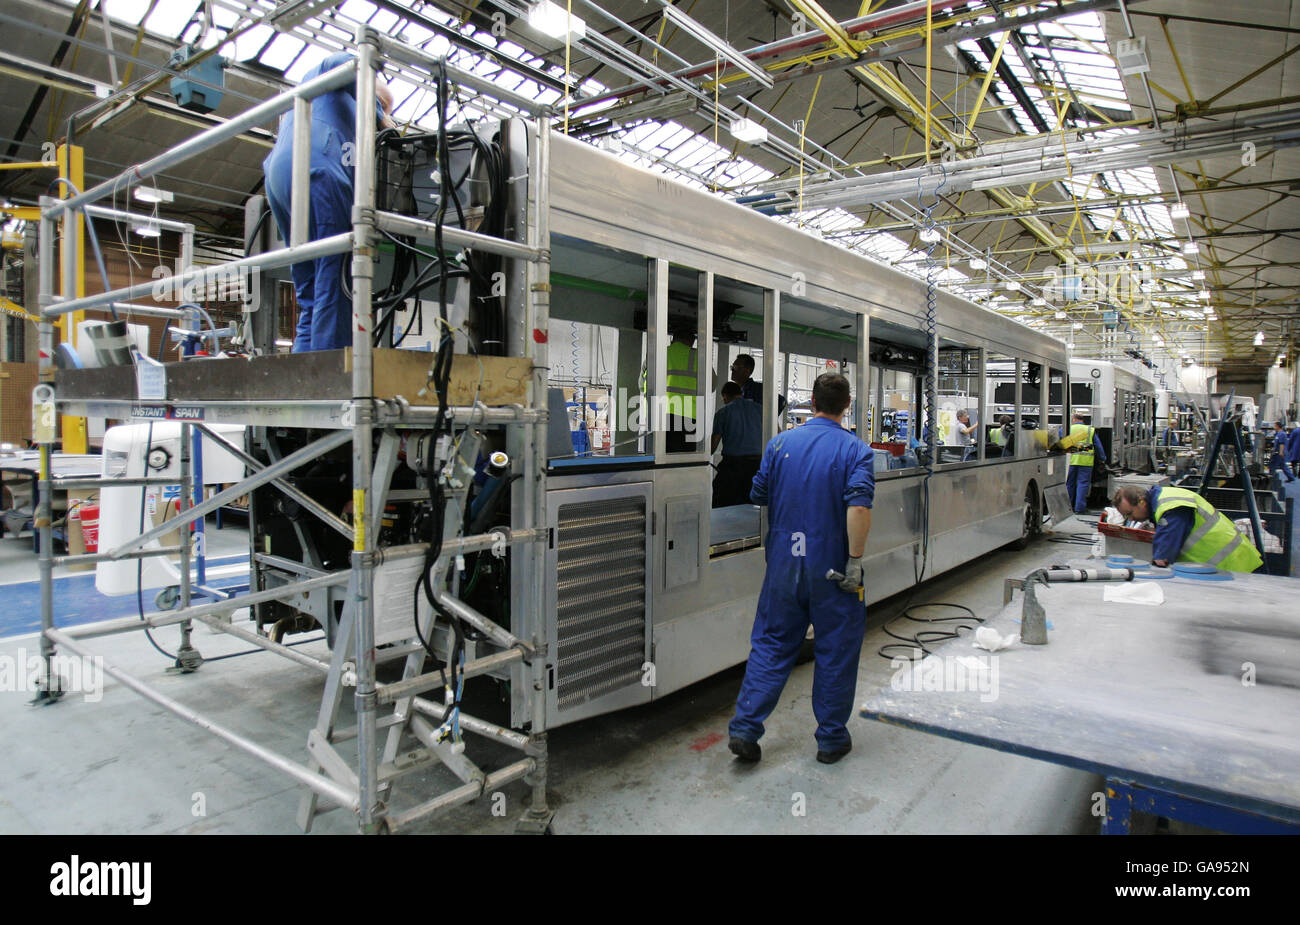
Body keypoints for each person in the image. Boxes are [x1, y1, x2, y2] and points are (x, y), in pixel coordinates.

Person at [728, 372, 874, 765]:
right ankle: (830, 740)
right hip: (833, 571)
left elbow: (758, 493)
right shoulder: (856, 451)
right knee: (835, 649)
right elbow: (858, 507)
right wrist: (855, 563)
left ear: (811, 402)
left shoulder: (780, 444)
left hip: (784, 566)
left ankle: (745, 728)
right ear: (846, 406)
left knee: (773, 644)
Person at [263, 53, 394, 353]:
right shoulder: (335, 82)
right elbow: (349, 62)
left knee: (311, 291)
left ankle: (304, 377)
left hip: (281, 177)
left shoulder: (335, 118)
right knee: (335, 283)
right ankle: (330, 381)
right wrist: (379, 113)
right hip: (318, 170)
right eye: (384, 104)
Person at [1112, 484, 1262, 573]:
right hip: (1227, 564)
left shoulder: (1170, 508)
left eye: (1130, 513)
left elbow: (1163, 556)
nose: (1131, 520)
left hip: (1236, 564)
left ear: (1142, 502)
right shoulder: (1164, 500)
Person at [711, 381, 763, 508]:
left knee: (722, 505)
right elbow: (778, 433)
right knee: (752, 508)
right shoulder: (761, 409)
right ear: (741, 393)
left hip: (733, 467)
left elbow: (712, 446)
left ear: (724, 396)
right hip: (757, 466)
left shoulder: (723, 412)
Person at [1056, 410, 1107, 514]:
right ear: (1082, 420)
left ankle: (1068, 507)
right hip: (1086, 462)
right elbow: (1098, 446)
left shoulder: (1067, 428)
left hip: (1070, 461)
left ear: (1074, 419)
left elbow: (1060, 441)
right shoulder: (1089, 430)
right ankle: (1080, 508)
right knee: (1082, 484)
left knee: (1069, 484)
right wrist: (1102, 458)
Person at [664, 328, 699, 452]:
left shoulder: (659, 353)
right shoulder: (698, 356)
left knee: (662, 455)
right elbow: (712, 384)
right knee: (686, 458)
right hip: (690, 417)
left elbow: (642, 384)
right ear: (690, 342)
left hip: (663, 414)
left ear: (673, 339)